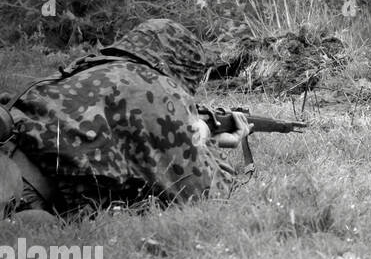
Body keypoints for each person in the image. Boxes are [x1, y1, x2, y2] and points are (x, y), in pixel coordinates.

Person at [0, 18, 249, 218]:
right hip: (17, 189)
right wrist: (205, 138)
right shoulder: (154, 89)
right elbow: (204, 191)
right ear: (183, 68)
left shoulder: (89, 68)